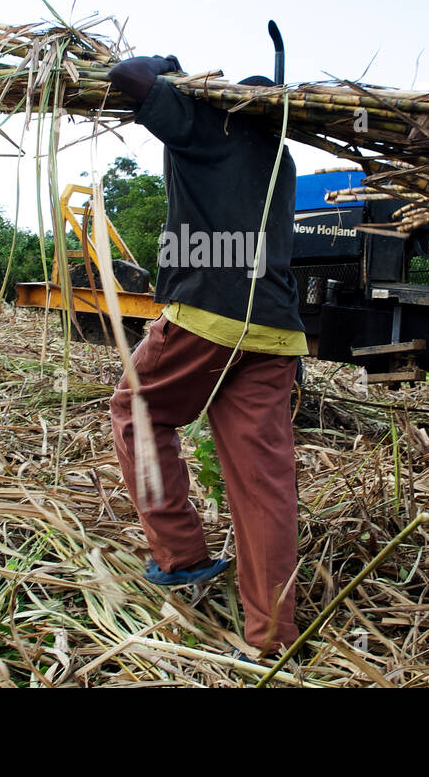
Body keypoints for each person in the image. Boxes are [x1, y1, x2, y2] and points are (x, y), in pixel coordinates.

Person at [106, 53, 307, 657]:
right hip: (275, 330)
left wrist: (169, 67)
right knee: (261, 481)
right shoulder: (280, 157)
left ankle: (179, 553)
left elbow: (128, 77)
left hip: (207, 312)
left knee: (135, 413)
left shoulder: (208, 125)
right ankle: (271, 637)